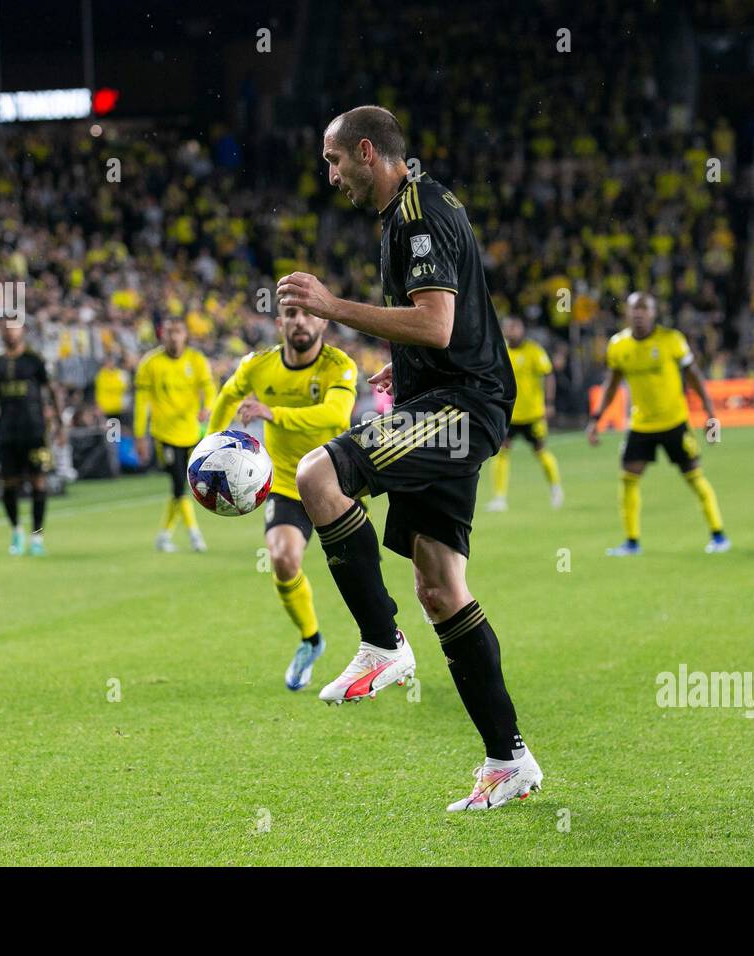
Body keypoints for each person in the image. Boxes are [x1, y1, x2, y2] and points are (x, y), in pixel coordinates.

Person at [279, 105, 542, 811]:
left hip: (463, 410)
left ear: (368, 152)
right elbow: (441, 329)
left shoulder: (418, 214)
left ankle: (382, 642)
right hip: (450, 396)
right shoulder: (413, 209)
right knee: (440, 586)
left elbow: (436, 321)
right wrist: (408, 370)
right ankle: (507, 758)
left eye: (335, 161)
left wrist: (333, 306)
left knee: (317, 475)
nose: (331, 177)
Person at [206, 304, 359, 690]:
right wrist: (208, 446)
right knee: (282, 558)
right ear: (280, 323)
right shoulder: (259, 365)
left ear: (323, 320)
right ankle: (311, 640)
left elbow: (335, 415)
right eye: (291, 314)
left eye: (309, 314)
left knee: (359, 571)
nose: (301, 321)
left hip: (338, 479)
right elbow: (227, 396)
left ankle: (382, 646)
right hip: (288, 483)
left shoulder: (338, 364)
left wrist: (274, 414)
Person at [588, 292, 729, 555]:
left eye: (645, 309)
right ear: (627, 313)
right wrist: (596, 418)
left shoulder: (671, 340)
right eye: (634, 309)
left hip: (675, 422)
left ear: (654, 313)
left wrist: (711, 413)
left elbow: (694, 375)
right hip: (641, 425)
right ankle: (632, 542)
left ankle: (719, 535)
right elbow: (612, 384)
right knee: (628, 478)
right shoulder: (618, 345)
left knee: (694, 477)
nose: (639, 314)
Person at [133, 317, 216, 553]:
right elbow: (141, 403)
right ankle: (195, 536)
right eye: (169, 332)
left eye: (178, 332)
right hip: (164, 435)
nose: (173, 336)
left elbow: (209, 388)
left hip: (192, 432)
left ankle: (163, 536)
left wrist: (208, 406)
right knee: (180, 485)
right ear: (162, 335)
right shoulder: (150, 364)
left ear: (185, 335)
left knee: (180, 488)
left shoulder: (196, 360)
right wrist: (140, 436)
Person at [0, 323, 63, 556]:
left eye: (14, 328)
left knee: (39, 482)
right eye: (6, 329)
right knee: (9, 484)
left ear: (22, 332)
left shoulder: (34, 360)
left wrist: (59, 422)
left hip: (35, 431)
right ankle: (16, 530)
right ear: (1, 332)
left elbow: (51, 389)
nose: (10, 332)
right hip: (7, 432)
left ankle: (37, 537)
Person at [486, 317, 562, 512]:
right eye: (508, 327)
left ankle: (555, 489)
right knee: (501, 452)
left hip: (533, 414)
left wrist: (549, 403)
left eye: (515, 327)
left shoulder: (534, 351)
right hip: (509, 414)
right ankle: (500, 498)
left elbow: (549, 375)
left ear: (522, 330)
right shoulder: (500, 352)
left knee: (541, 451)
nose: (512, 331)